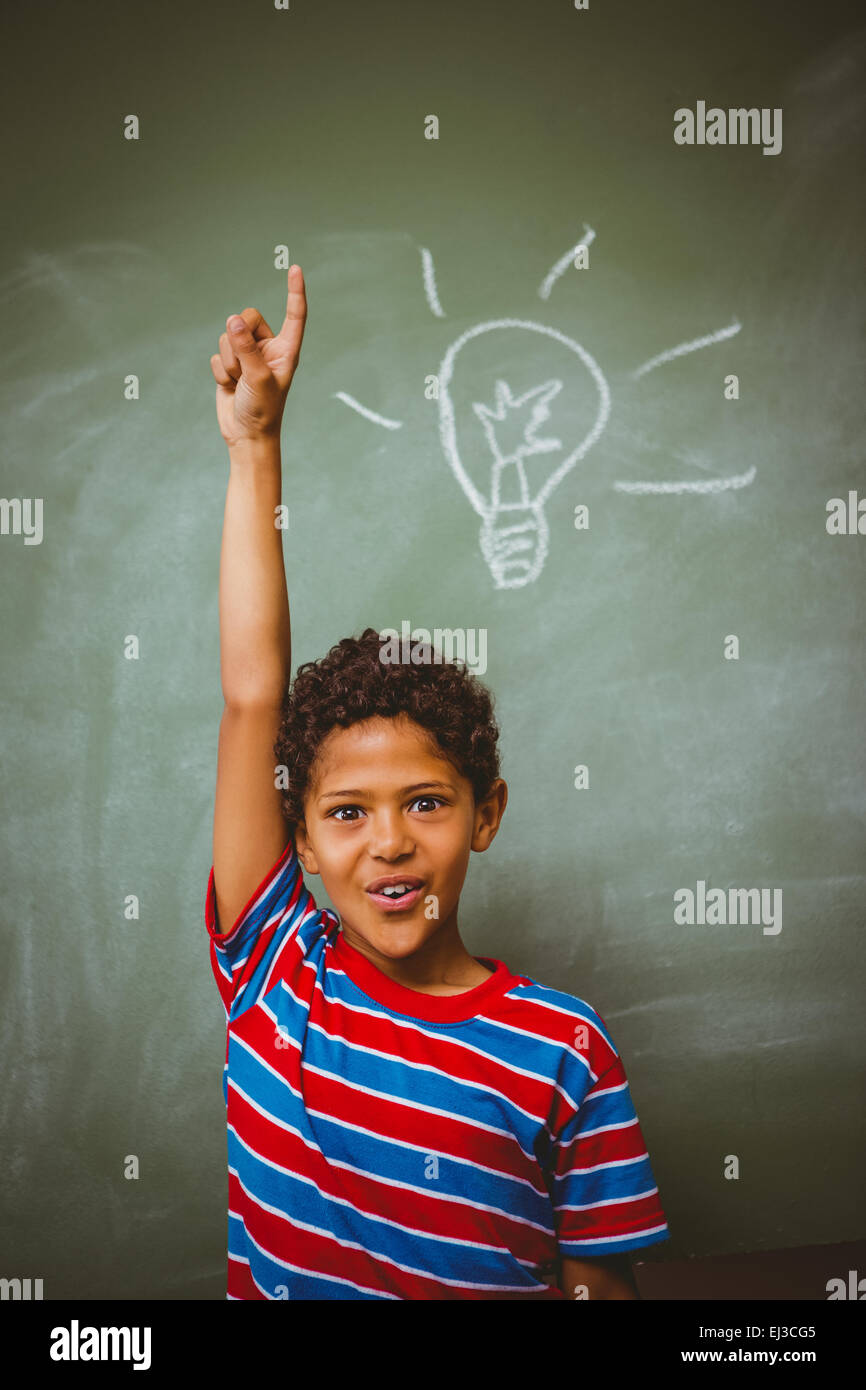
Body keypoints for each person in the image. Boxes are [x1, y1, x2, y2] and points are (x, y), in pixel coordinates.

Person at [205, 265, 669, 1300]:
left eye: (426, 802)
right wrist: (254, 449)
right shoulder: (274, 970)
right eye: (345, 813)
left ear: (484, 815)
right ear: (301, 840)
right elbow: (250, 692)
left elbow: (596, 1285)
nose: (389, 842)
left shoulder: (564, 1048)